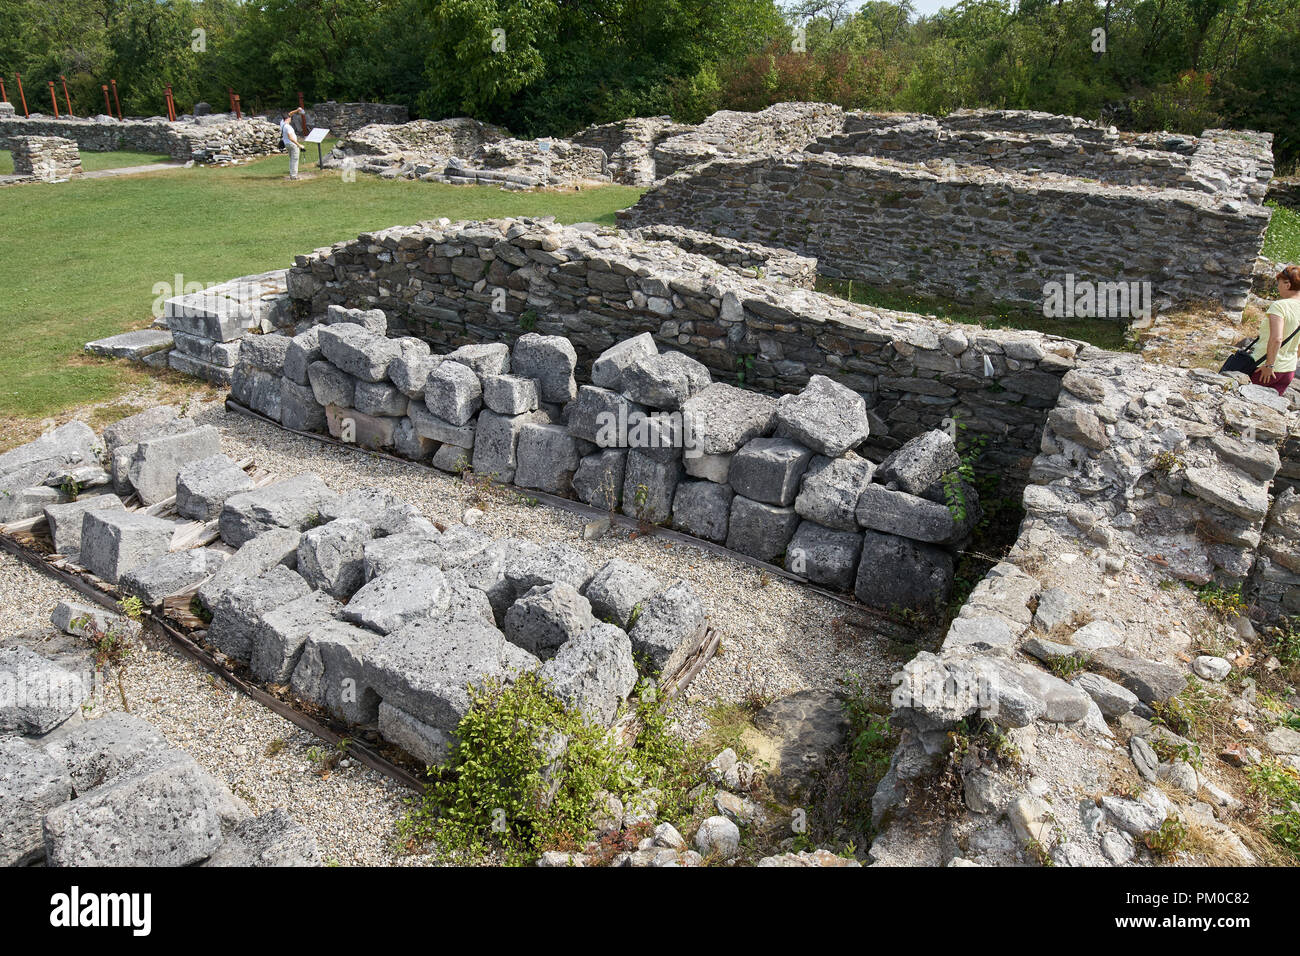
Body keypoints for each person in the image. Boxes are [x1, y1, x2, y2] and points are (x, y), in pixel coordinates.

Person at [1251, 264, 1300, 396]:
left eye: (1278, 284)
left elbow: (1277, 338)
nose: (1278, 288)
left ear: (1287, 284)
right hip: (1288, 370)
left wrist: (1269, 365)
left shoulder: (1280, 306)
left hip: (1266, 369)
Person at [280, 107, 305, 180]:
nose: (291, 118)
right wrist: (299, 145)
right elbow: (291, 138)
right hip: (292, 144)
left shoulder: (282, 123)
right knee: (295, 159)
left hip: (286, 144)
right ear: (288, 119)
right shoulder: (288, 127)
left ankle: (292, 174)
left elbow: (289, 114)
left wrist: (297, 110)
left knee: (292, 159)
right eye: (290, 118)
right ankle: (294, 176)